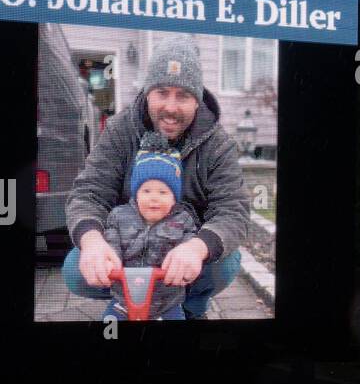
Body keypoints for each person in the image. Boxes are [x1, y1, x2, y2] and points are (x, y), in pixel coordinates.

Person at [63, 34, 249, 319]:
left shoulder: (219, 144)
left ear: (197, 100)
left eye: (183, 95)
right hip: (128, 245)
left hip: (186, 249)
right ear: (147, 93)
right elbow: (89, 191)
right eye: (162, 92)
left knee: (225, 264)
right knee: (76, 270)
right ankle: (125, 299)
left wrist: (198, 248)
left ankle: (192, 308)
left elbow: (233, 211)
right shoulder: (119, 131)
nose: (171, 107)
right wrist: (93, 242)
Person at [101, 132, 200, 321]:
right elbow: (111, 246)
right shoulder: (118, 216)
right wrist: (109, 263)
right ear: (135, 193)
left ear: (174, 198)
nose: (154, 197)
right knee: (109, 330)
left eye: (163, 192)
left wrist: (187, 262)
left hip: (167, 302)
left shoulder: (183, 221)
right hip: (123, 300)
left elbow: (189, 247)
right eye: (146, 191)